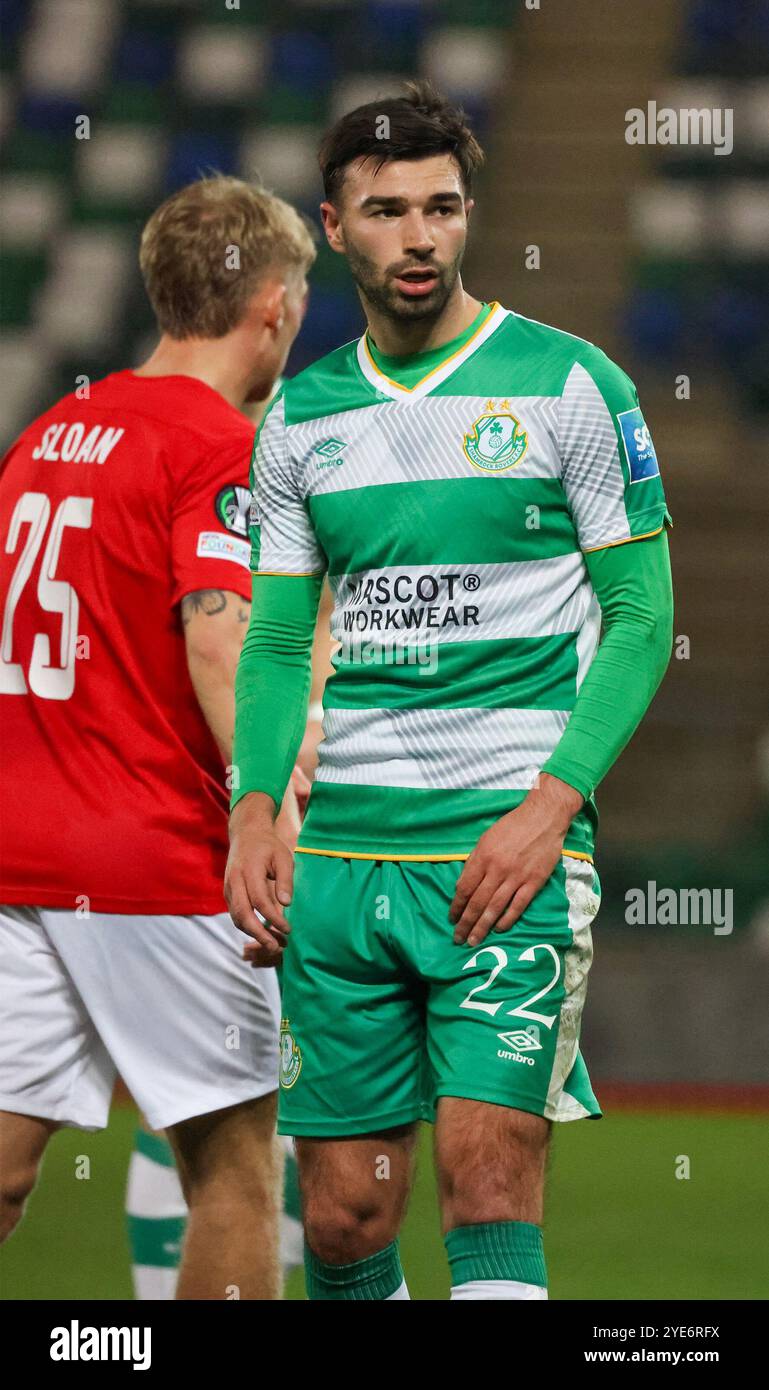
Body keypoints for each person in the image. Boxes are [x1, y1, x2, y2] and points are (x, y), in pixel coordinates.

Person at [226, 82, 675, 1301]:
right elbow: (272, 645)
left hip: (504, 860)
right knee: (344, 1223)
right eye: (385, 212)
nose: (418, 237)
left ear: (469, 212)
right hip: (343, 871)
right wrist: (256, 808)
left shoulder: (574, 386)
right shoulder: (301, 421)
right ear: (333, 227)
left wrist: (550, 807)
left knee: (487, 1183)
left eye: (441, 207)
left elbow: (642, 618)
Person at [0, 175, 315, 1300]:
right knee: (232, 1177)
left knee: (2, 1171)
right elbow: (219, 639)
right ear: (272, 305)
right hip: (153, 856)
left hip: (18, 854)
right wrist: (265, 803)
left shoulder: (48, 430)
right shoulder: (219, 446)